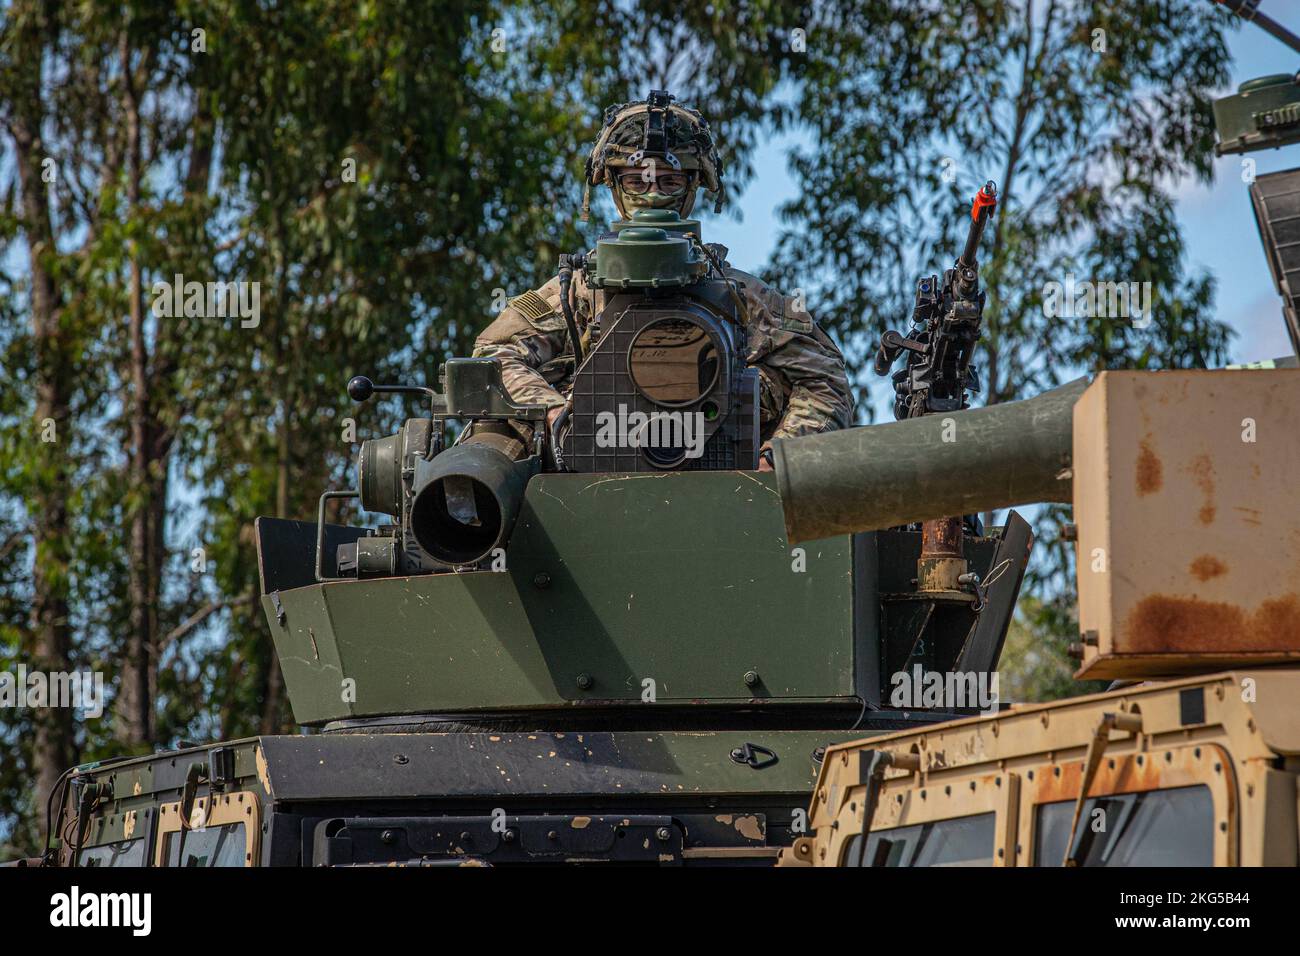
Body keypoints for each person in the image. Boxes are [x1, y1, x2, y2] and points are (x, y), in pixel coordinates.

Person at [473, 90, 852, 470]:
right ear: (614, 184)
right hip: (590, 478)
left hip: (725, 486)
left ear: (692, 186)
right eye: (637, 181)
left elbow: (825, 380)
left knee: (757, 385)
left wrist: (773, 461)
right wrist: (557, 414)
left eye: (668, 181)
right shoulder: (577, 294)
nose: (653, 194)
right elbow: (493, 356)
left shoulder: (745, 300)